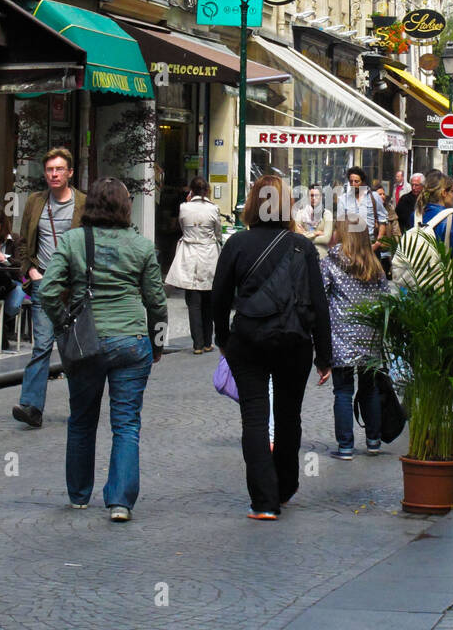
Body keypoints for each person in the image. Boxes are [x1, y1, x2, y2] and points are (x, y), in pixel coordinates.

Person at [38, 178, 166, 521]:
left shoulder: (73, 240)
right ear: (126, 207)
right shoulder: (141, 246)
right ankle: (120, 502)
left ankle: (79, 495)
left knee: (81, 419)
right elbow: (157, 302)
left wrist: (64, 323)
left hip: (86, 344)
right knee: (126, 424)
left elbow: (48, 291)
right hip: (131, 340)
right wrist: (158, 344)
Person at [212, 175, 332, 519]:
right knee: (288, 415)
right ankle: (285, 485)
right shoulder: (303, 246)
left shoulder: (237, 244)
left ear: (252, 203)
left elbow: (218, 297)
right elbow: (319, 303)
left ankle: (264, 502)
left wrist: (223, 338)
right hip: (294, 341)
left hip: (248, 340)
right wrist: (324, 356)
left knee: (254, 417)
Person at [12, 148, 87, 428]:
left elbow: (89, 241)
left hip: (73, 288)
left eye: (59, 169)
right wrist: (30, 270)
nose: (53, 174)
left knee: (73, 350)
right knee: (41, 346)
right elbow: (22, 241)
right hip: (44, 283)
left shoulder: (83, 203)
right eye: (49, 170)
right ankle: (31, 406)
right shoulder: (35, 202)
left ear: (69, 173)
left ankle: (81, 405)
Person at [321, 215, 390, 460]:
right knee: (369, 389)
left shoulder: (331, 262)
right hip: (369, 336)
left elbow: (321, 296)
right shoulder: (374, 265)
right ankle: (373, 440)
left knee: (342, 391)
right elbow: (385, 299)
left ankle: (346, 446)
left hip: (340, 335)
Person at [164, 176, 222, 354]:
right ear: (207, 191)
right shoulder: (213, 209)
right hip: (209, 255)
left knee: (193, 302)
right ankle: (207, 341)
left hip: (189, 254)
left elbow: (182, 225)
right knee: (208, 301)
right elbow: (217, 232)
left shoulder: (184, 207)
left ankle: (197, 344)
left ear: (191, 191)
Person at [419, 171, 453, 263]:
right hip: (443, 275)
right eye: (452, 191)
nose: (452, 196)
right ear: (444, 193)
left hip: (417, 275)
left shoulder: (416, 215)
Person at [338, 167, 388, 250]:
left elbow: (383, 220)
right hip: (351, 244)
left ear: (363, 182)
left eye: (356, 181)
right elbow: (341, 225)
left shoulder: (374, 196)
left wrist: (377, 243)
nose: (353, 184)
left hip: (371, 243)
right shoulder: (343, 199)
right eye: (351, 181)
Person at [294, 185, 333, 258]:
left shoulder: (327, 214)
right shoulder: (300, 213)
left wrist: (305, 234)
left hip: (321, 256)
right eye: (311, 195)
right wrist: (315, 233)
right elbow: (296, 236)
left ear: (321, 197)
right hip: (303, 255)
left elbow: (326, 239)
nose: (314, 198)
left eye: (316, 195)